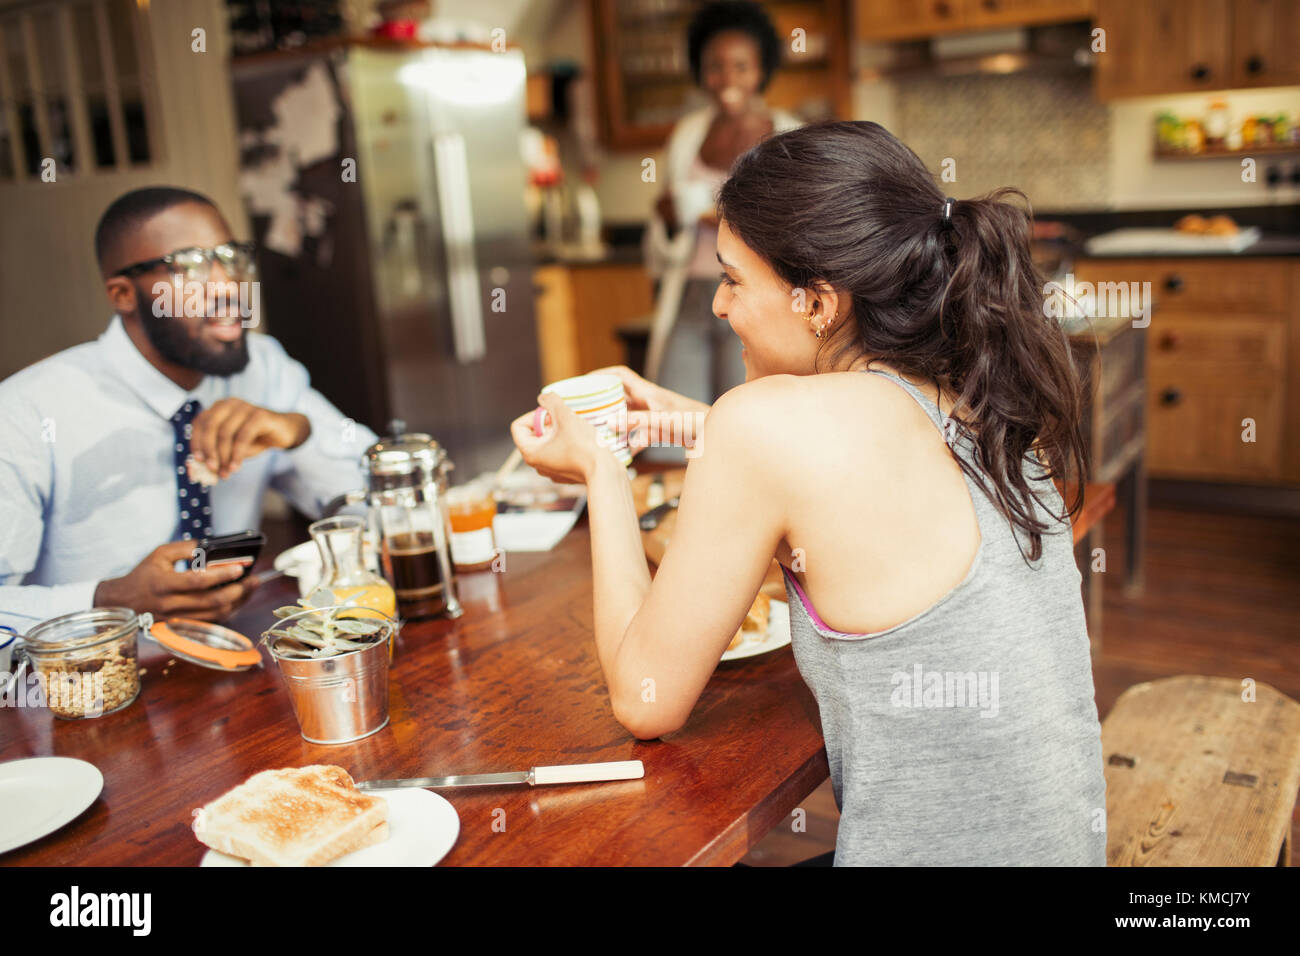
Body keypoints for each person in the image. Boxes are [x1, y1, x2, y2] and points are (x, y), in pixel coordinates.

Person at [513, 121, 1107, 866]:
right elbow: (849, 471)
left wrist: (602, 470)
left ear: (819, 303)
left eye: (733, 279)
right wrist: (687, 421)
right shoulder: (975, 387)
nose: (720, 306)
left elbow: (645, 696)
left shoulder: (767, 426)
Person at [0, 187, 377, 632]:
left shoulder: (263, 369)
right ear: (123, 294)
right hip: (88, 689)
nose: (229, 289)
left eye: (232, 259)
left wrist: (302, 431)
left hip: (237, 666)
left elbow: (385, 504)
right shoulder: (26, 414)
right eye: (191, 268)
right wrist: (108, 600)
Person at [642, 0, 801, 412]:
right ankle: (675, 479)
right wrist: (668, 220)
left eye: (741, 66)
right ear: (700, 71)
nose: (727, 77)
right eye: (715, 65)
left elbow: (803, 230)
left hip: (758, 297)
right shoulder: (687, 134)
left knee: (744, 415)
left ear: (762, 70)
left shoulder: (789, 135)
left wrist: (736, 223)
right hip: (692, 296)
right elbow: (661, 245)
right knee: (674, 423)